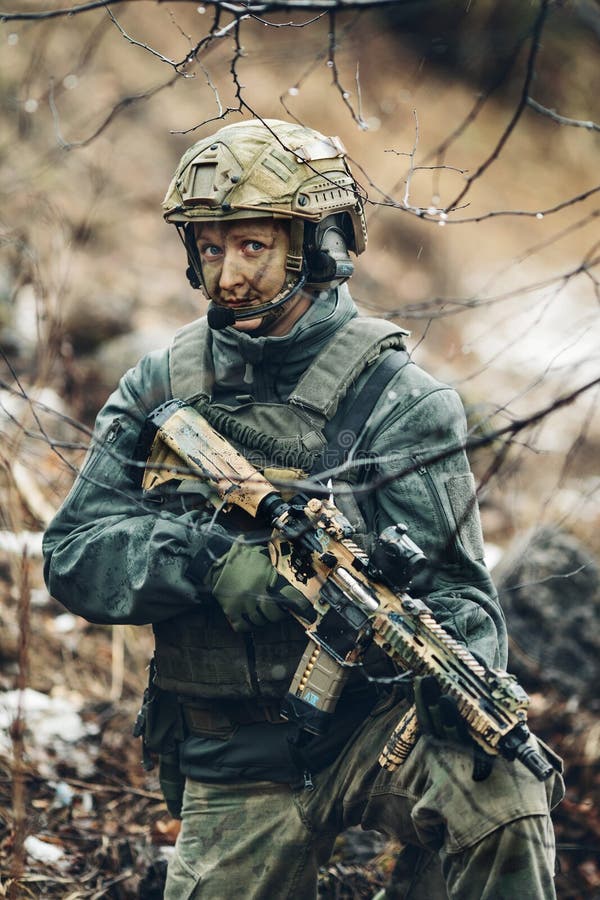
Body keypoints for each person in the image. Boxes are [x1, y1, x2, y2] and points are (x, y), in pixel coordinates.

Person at [43, 118, 563, 899]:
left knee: (502, 792)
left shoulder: (401, 401)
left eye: (251, 246)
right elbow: (72, 553)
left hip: (374, 732)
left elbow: (461, 594)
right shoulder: (161, 387)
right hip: (234, 756)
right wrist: (206, 562)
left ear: (319, 246)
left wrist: (461, 676)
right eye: (210, 249)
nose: (227, 278)